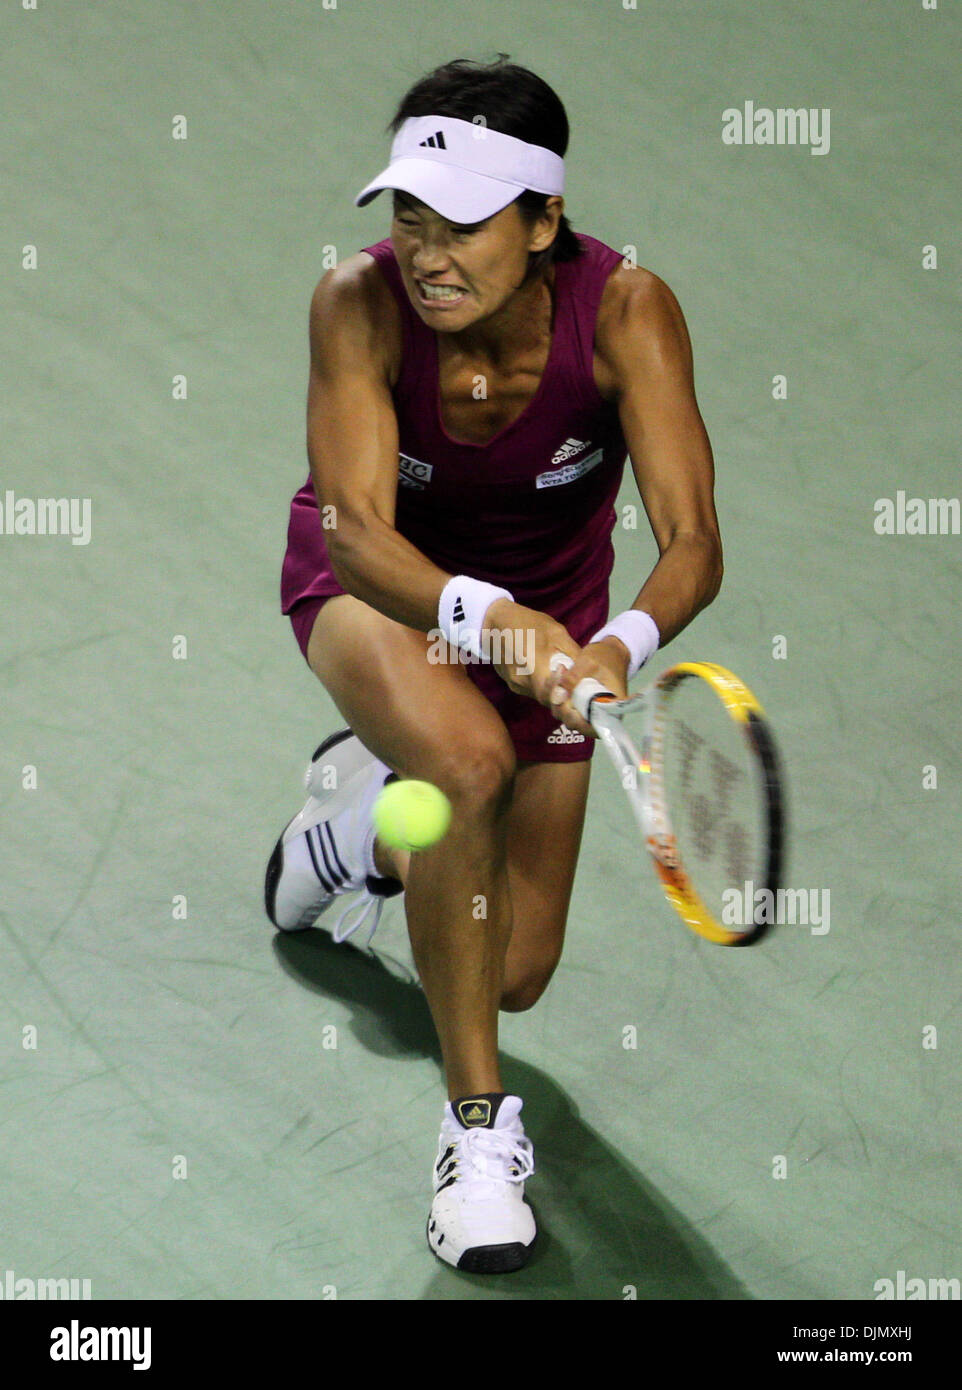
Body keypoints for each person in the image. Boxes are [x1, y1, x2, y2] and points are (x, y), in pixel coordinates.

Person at [265, 55, 722, 1274]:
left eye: (460, 224)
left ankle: (359, 826)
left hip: (557, 619)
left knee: (511, 969)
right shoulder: (352, 305)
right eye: (408, 217)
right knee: (466, 759)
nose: (425, 253)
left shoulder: (628, 314)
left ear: (542, 219)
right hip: (379, 587)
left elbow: (691, 542)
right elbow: (358, 529)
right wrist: (486, 617)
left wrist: (615, 644)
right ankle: (475, 1137)